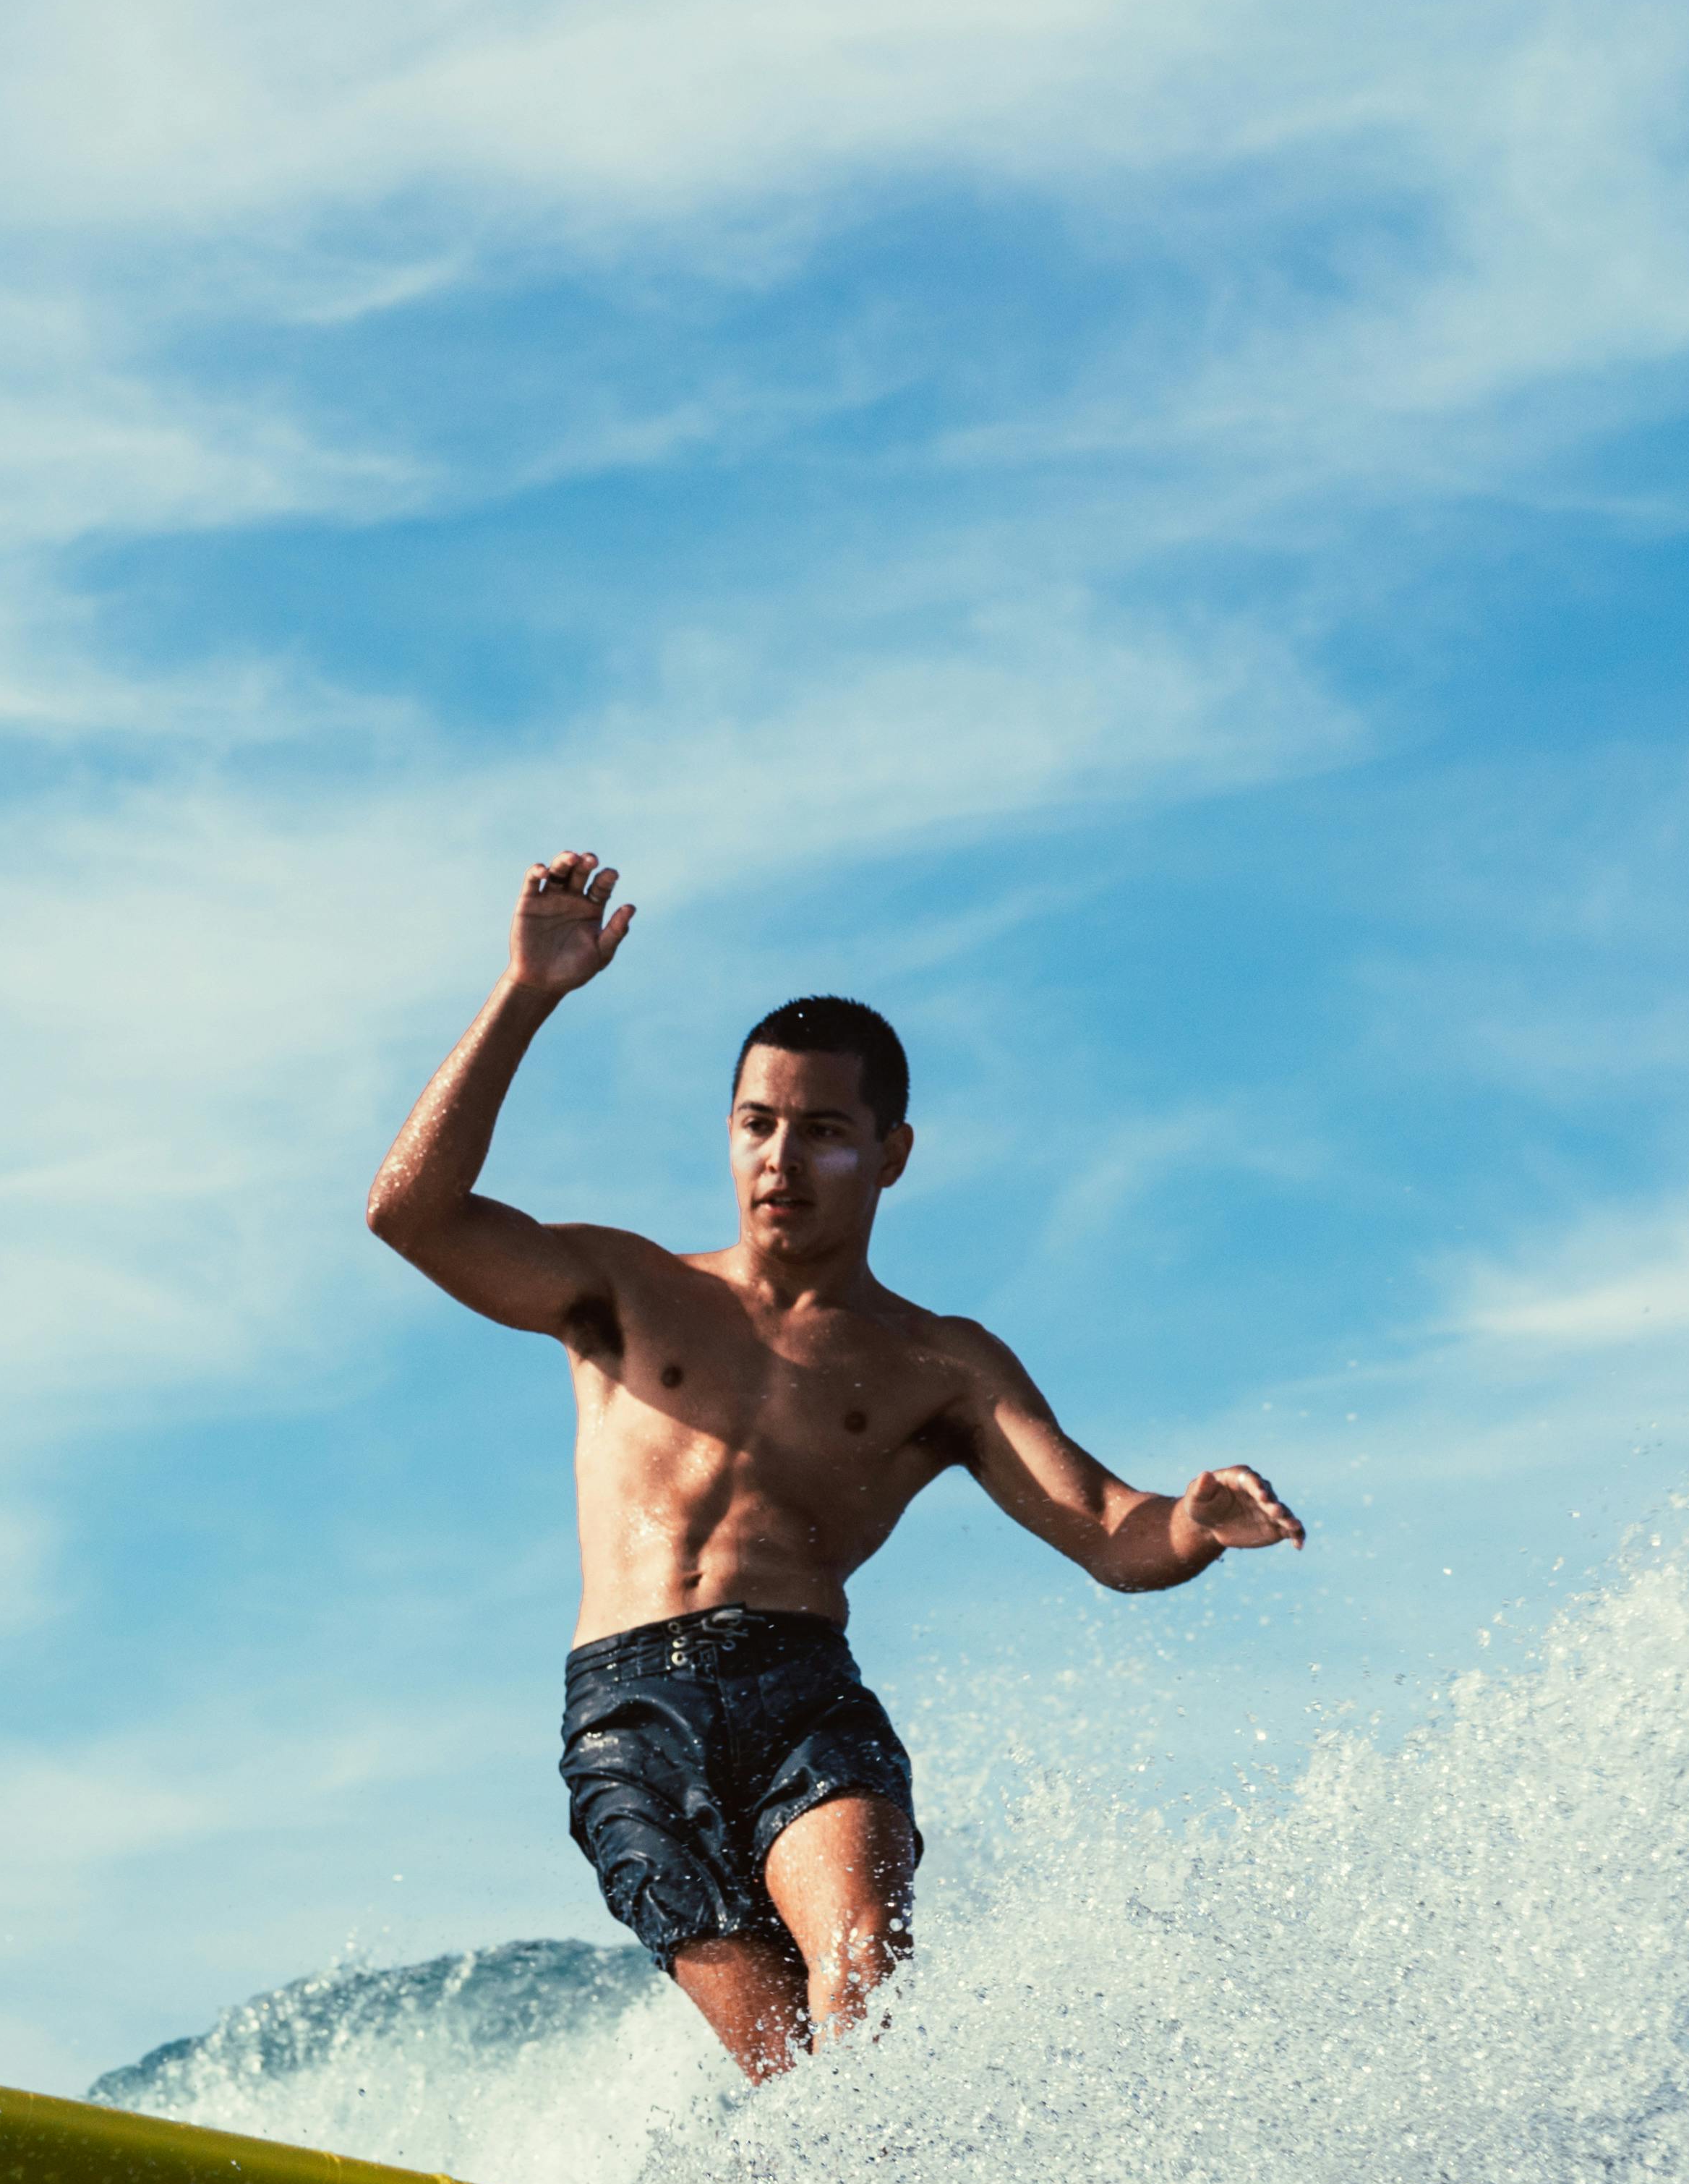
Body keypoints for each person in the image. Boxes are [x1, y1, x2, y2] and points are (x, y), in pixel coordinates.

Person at [364, 851, 1306, 2080]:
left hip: (803, 1693)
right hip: (628, 1714)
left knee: (862, 1969)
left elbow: (1105, 1531)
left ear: (893, 1153)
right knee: (787, 2070)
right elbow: (410, 1213)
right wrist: (526, 993)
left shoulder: (939, 1365)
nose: (782, 1161)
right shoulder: (626, 1289)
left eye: (823, 1132)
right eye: (759, 1126)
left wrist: (1192, 1521)